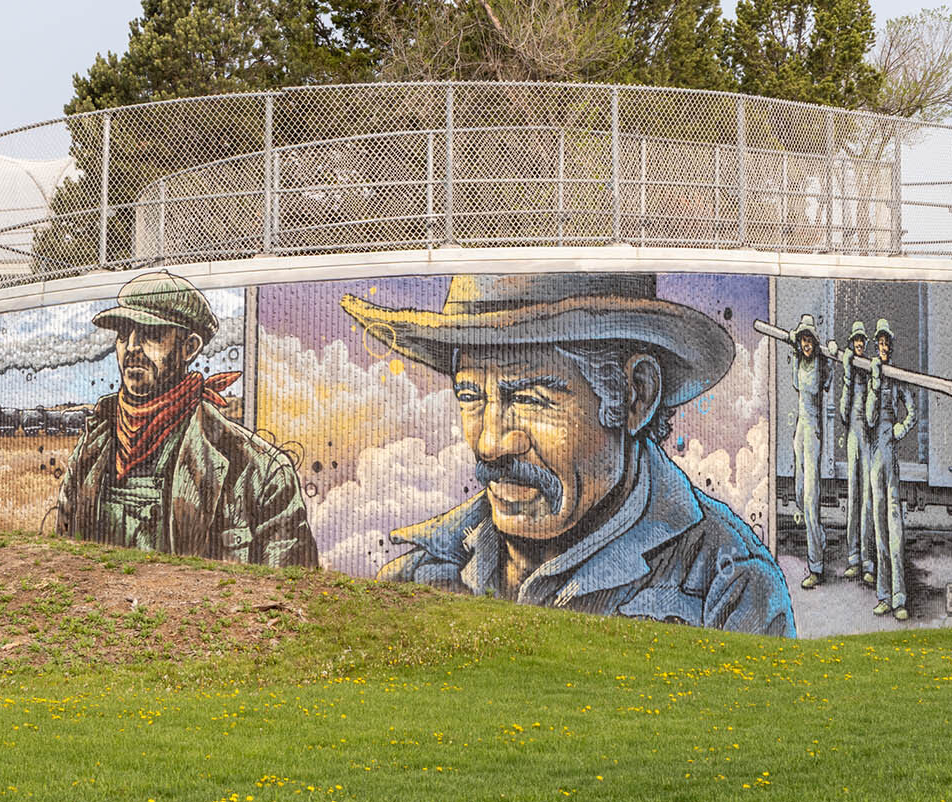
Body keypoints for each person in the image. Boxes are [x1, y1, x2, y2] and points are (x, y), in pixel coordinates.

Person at [341, 273, 795, 637]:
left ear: (635, 396)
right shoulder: (418, 575)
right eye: (470, 396)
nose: (491, 443)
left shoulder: (730, 592)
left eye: (531, 397)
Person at [56, 271, 317, 569]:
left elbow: (291, 590)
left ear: (189, 348)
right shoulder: (94, 446)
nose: (131, 348)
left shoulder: (261, 472)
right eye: (123, 334)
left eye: (151, 335)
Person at [865, 318, 916, 620]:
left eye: (887, 343)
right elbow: (870, 419)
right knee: (879, 527)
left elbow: (911, 411)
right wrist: (873, 385)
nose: (884, 347)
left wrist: (900, 428)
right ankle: (884, 595)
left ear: (891, 346)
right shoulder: (874, 375)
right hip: (874, 456)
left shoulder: (897, 377)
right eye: (880, 343)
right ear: (876, 344)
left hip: (890, 453)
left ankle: (900, 598)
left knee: (894, 526)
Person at [790, 315, 829, 589]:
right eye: (802, 339)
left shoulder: (821, 363)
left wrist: (833, 353)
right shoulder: (799, 363)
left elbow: (823, 384)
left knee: (811, 499)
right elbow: (797, 385)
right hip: (800, 429)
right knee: (798, 494)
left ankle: (816, 565)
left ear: (815, 342)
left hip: (813, 429)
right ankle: (821, 538)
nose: (806, 344)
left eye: (809, 340)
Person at [835, 320, 874, 585]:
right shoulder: (850, 371)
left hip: (868, 439)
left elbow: (872, 416)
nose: (859, 344)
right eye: (856, 341)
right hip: (852, 438)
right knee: (853, 498)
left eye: (862, 341)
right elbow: (842, 413)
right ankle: (853, 559)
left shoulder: (872, 370)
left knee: (867, 500)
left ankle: (869, 563)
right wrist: (848, 377)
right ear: (851, 343)